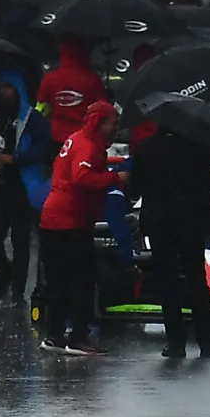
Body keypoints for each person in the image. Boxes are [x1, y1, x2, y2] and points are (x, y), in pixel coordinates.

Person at [38, 101, 125, 355]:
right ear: (100, 122)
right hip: (70, 222)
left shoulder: (75, 139)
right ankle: (78, 337)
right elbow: (82, 177)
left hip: (52, 219)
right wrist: (114, 178)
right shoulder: (88, 146)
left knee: (58, 282)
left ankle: (54, 335)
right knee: (82, 280)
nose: (116, 127)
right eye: (112, 122)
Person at [129, 123, 210, 358]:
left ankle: (176, 342)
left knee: (167, 282)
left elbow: (134, 188)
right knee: (196, 279)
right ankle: (207, 342)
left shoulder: (147, 149)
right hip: (191, 222)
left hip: (159, 223)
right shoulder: (199, 149)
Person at [0, 72, 48, 304]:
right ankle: (5, 272)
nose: (3, 92)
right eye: (0, 87)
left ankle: (18, 291)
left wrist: (15, 158)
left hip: (22, 187)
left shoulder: (33, 119)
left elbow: (44, 148)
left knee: (21, 240)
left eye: (8, 87)